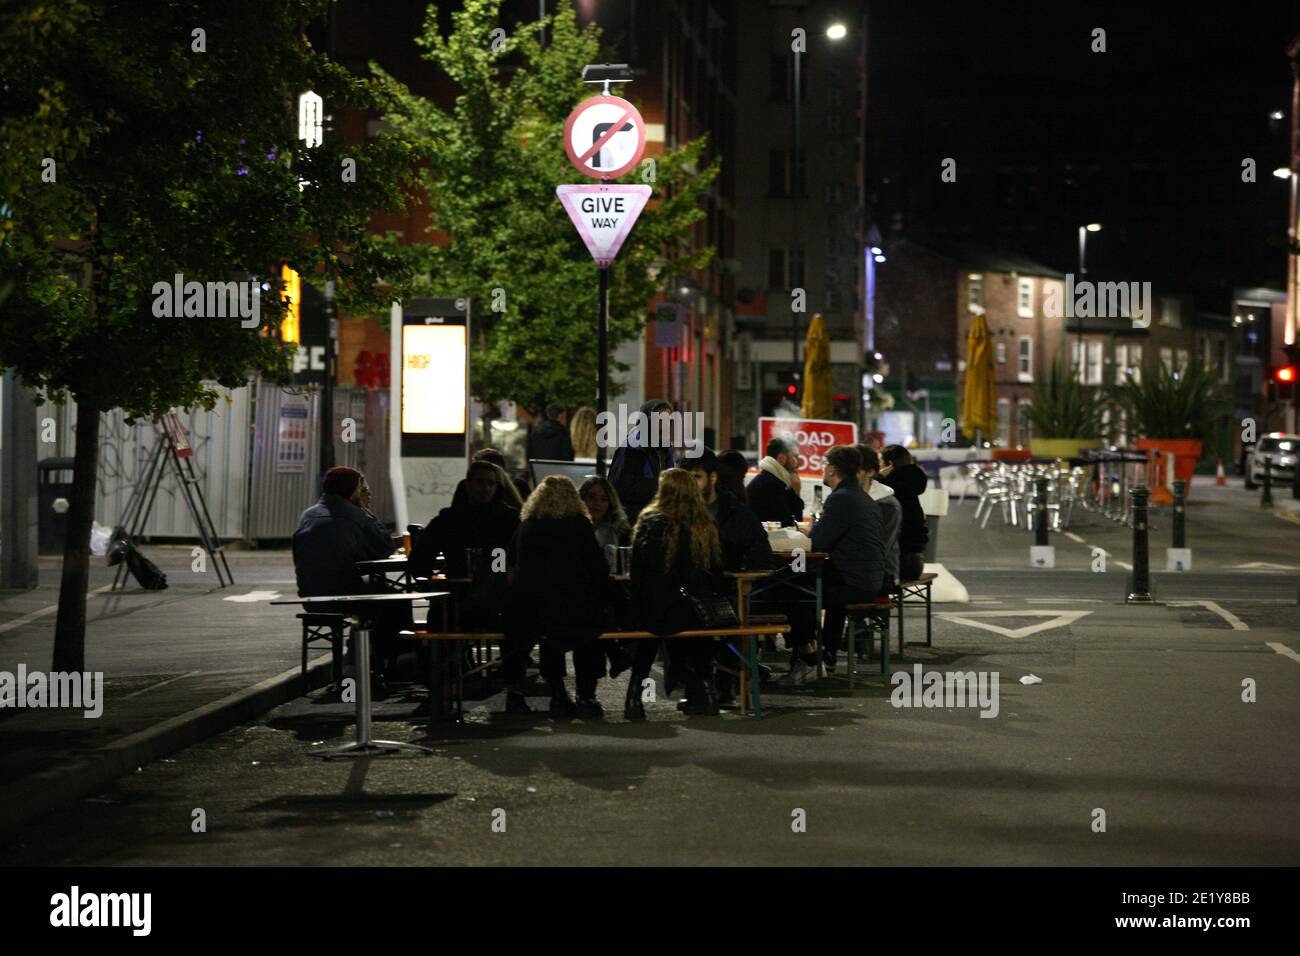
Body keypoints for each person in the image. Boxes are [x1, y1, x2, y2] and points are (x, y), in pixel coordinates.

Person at [625, 468, 727, 719]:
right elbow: (716, 571)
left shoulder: (650, 520)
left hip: (654, 606)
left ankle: (634, 699)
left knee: (647, 641)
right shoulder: (703, 523)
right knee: (695, 640)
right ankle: (705, 694)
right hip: (690, 608)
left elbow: (636, 571)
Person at [292, 466, 403, 693]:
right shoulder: (355, 515)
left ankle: (357, 664)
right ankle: (378, 665)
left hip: (311, 597)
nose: (366, 493)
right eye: (363, 489)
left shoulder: (308, 514)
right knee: (391, 599)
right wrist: (366, 511)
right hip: (344, 597)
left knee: (375, 594)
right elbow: (384, 546)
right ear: (353, 490)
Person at [509, 476, 612, 719]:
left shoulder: (527, 526)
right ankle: (586, 696)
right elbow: (598, 568)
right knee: (590, 637)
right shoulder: (579, 525)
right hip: (577, 607)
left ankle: (558, 694)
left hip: (534, 609)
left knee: (548, 638)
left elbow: (510, 561)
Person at [798, 445, 885, 680]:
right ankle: (826, 654)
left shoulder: (842, 499)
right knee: (814, 586)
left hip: (854, 583)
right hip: (870, 579)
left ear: (833, 469)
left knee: (796, 593)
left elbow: (818, 543)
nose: (823, 470)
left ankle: (809, 654)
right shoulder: (862, 497)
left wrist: (807, 533)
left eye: (825, 466)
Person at [409, 461, 521, 580]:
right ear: (468, 484)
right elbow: (418, 560)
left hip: (497, 590)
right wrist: (436, 586)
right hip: (461, 589)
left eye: (490, 483)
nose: (486, 487)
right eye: (480, 481)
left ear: (496, 487)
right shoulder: (448, 520)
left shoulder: (509, 519)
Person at [608, 398, 676, 523]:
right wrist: (658, 489)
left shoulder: (665, 450)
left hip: (657, 518)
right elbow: (620, 489)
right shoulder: (632, 449)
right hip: (633, 521)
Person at [877, 445, 929, 582]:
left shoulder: (890, 490)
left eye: (880, 462)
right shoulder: (909, 487)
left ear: (889, 465)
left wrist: (878, 478)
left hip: (899, 564)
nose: (878, 466)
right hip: (916, 562)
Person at [856, 443, 902, 591]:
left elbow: (879, 549)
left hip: (881, 575)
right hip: (857, 570)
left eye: (854, 470)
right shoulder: (849, 496)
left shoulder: (887, 504)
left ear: (869, 472)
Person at [746, 436, 804, 527]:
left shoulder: (771, 480)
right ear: (781, 459)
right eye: (795, 457)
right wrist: (795, 492)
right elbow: (793, 526)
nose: (797, 463)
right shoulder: (770, 487)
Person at [578, 475, 632, 550]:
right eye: (591, 497)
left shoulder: (621, 533)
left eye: (603, 499)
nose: (597, 502)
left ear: (610, 504)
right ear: (582, 499)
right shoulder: (573, 529)